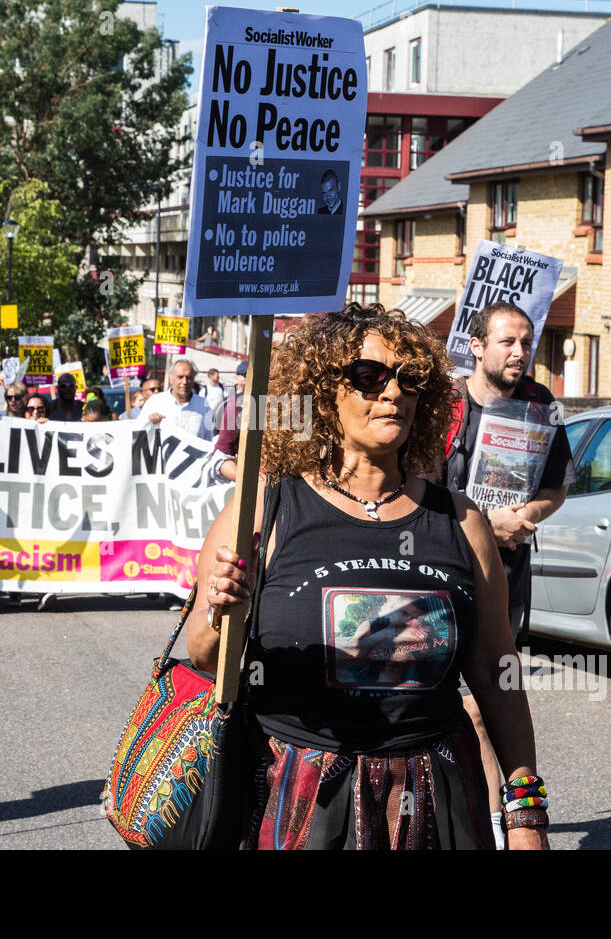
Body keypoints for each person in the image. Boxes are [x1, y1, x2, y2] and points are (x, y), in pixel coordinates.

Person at [187, 302, 548, 850]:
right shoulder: (265, 509)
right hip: (298, 800)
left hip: (436, 799)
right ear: (322, 391)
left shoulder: (463, 521)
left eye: (410, 378)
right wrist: (221, 613)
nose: (392, 391)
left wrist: (524, 814)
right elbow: (206, 657)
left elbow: (498, 673)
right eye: (369, 375)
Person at [443, 301, 573, 844]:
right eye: (507, 342)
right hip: (443, 571)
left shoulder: (542, 406)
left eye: (526, 342)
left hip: (505, 574)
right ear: (477, 347)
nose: (520, 352)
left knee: (485, 702)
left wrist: (523, 517)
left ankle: (498, 824)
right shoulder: (445, 406)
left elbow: (556, 488)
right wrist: (477, 524)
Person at [142, 359, 214, 440]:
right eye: (180, 377)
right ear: (171, 379)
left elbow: (209, 438)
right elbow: (139, 431)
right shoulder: (155, 402)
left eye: (189, 377)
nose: (185, 382)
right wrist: (149, 422)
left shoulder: (203, 404)